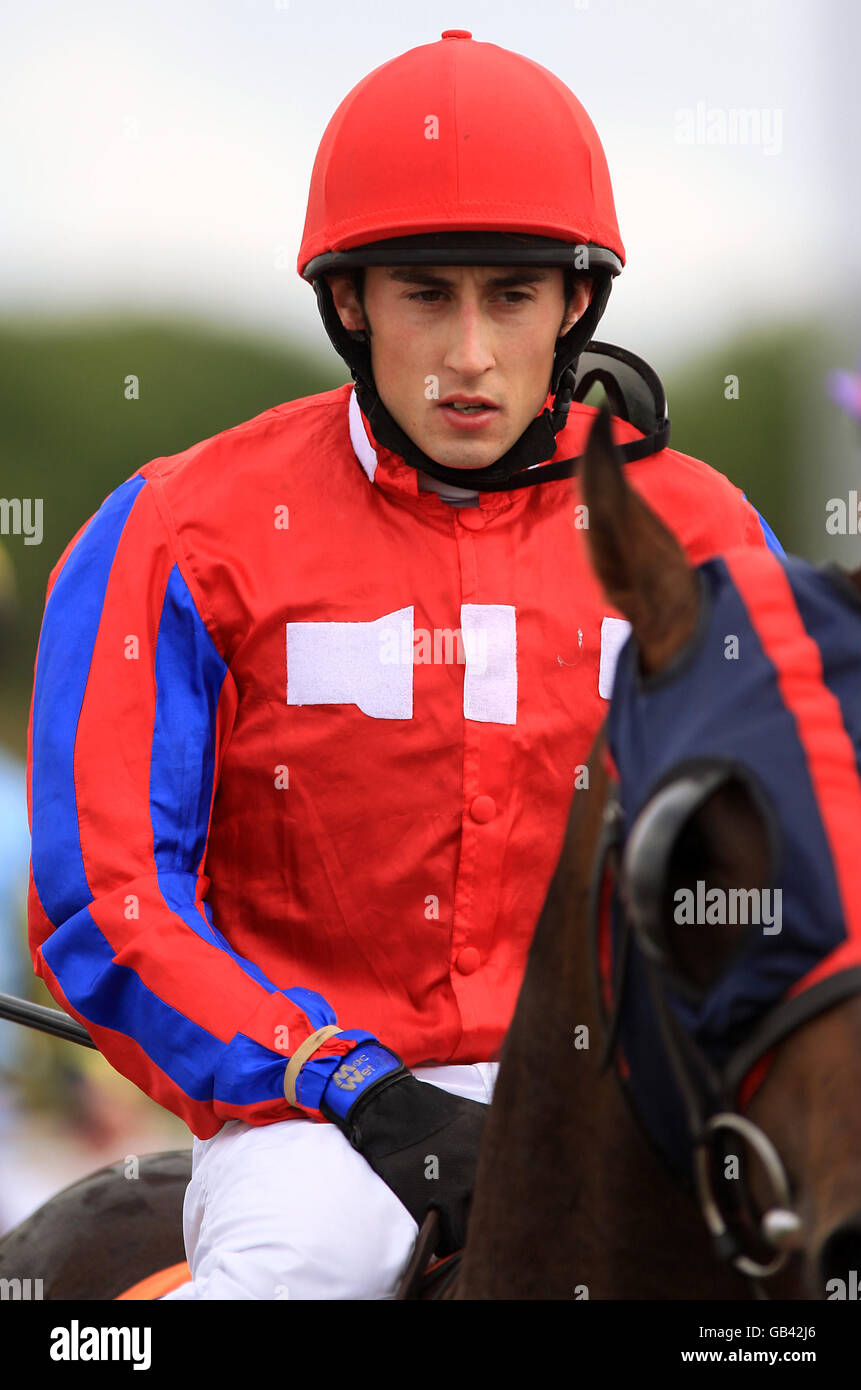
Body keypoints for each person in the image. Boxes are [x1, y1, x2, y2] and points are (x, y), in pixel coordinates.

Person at [26, 31, 783, 1300]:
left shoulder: (705, 538)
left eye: (512, 295)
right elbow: (110, 900)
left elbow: (792, 862)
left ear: (576, 304)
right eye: (425, 293)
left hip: (632, 1095)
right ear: (347, 303)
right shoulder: (170, 531)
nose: (471, 354)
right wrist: (341, 1078)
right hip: (313, 1133)